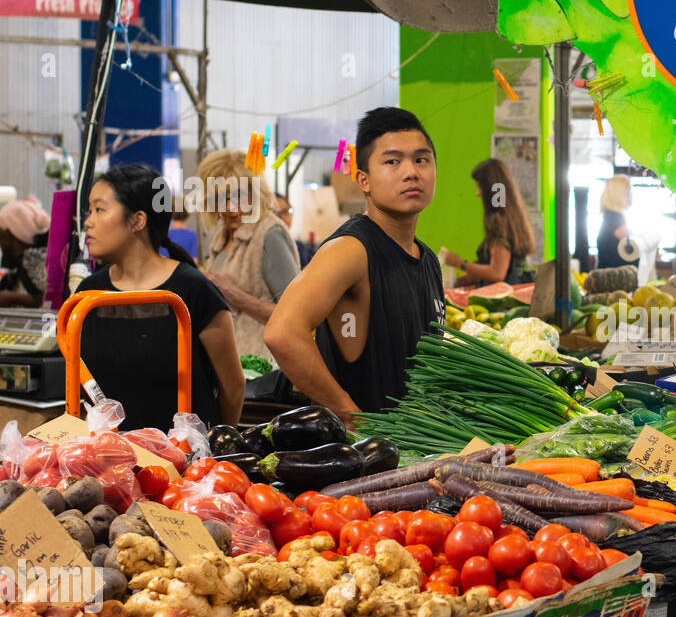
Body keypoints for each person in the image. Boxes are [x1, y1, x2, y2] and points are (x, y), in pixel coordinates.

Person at [264, 107, 445, 422]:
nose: (411, 172)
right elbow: (282, 333)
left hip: (415, 449)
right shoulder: (351, 250)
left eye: (421, 159)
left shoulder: (428, 260)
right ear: (364, 180)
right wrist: (350, 418)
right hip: (366, 461)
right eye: (392, 161)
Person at [77, 164, 243, 430]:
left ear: (137, 220)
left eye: (99, 209)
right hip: (109, 463)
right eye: (89, 210)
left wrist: (211, 446)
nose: (88, 221)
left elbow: (232, 387)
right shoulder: (87, 294)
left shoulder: (194, 291)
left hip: (183, 463)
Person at [197, 149, 301, 360]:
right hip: (228, 365)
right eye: (221, 198)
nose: (230, 207)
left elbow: (296, 315)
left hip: (262, 369)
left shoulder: (269, 234)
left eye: (239, 196)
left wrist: (235, 294)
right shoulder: (221, 238)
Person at [442, 158, 536, 287]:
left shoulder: (498, 220)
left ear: (490, 189)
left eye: (480, 187)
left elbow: (498, 273)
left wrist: (459, 262)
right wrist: (469, 278)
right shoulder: (513, 215)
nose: (478, 193)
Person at [0, 195, 50, 308]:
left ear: (14, 235)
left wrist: (13, 298)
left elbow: (45, 300)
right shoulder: (11, 258)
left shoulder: (34, 260)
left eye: (1, 232)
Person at [595, 175, 637, 269]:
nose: (632, 194)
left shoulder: (611, 218)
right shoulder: (614, 220)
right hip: (614, 281)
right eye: (629, 190)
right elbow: (636, 247)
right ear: (620, 193)